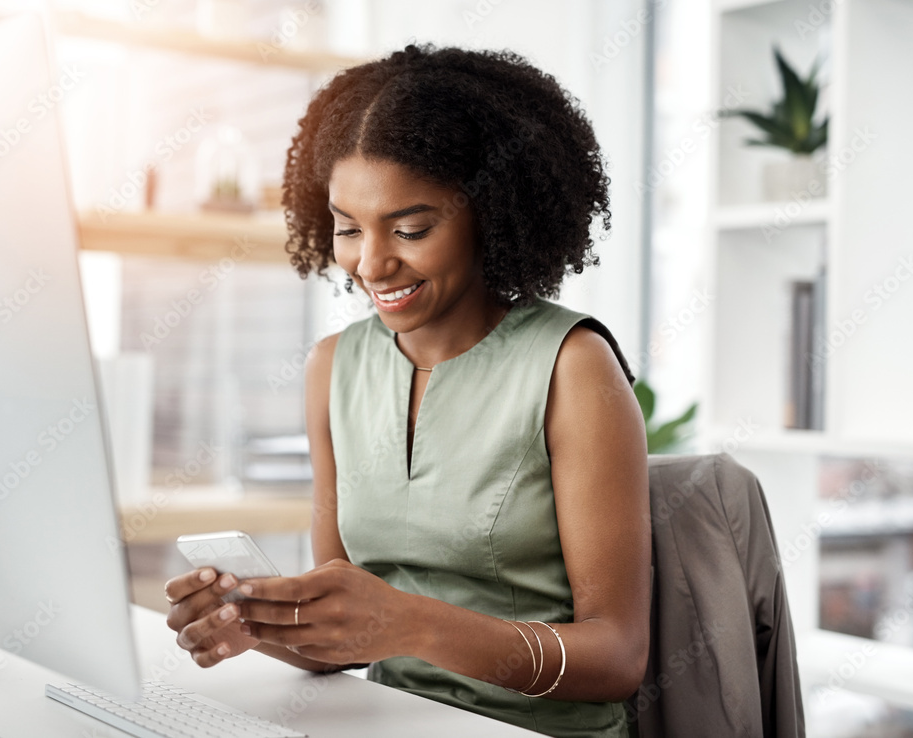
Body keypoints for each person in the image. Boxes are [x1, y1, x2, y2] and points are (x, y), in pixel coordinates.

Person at [166, 44, 651, 738]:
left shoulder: (572, 365)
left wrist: (413, 625)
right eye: (346, 228)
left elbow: (618, 657)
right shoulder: (334, 368)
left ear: (489, 211)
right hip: (386, 721)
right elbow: (340, 634)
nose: (371, 263)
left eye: (412, 228)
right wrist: (255, 622)